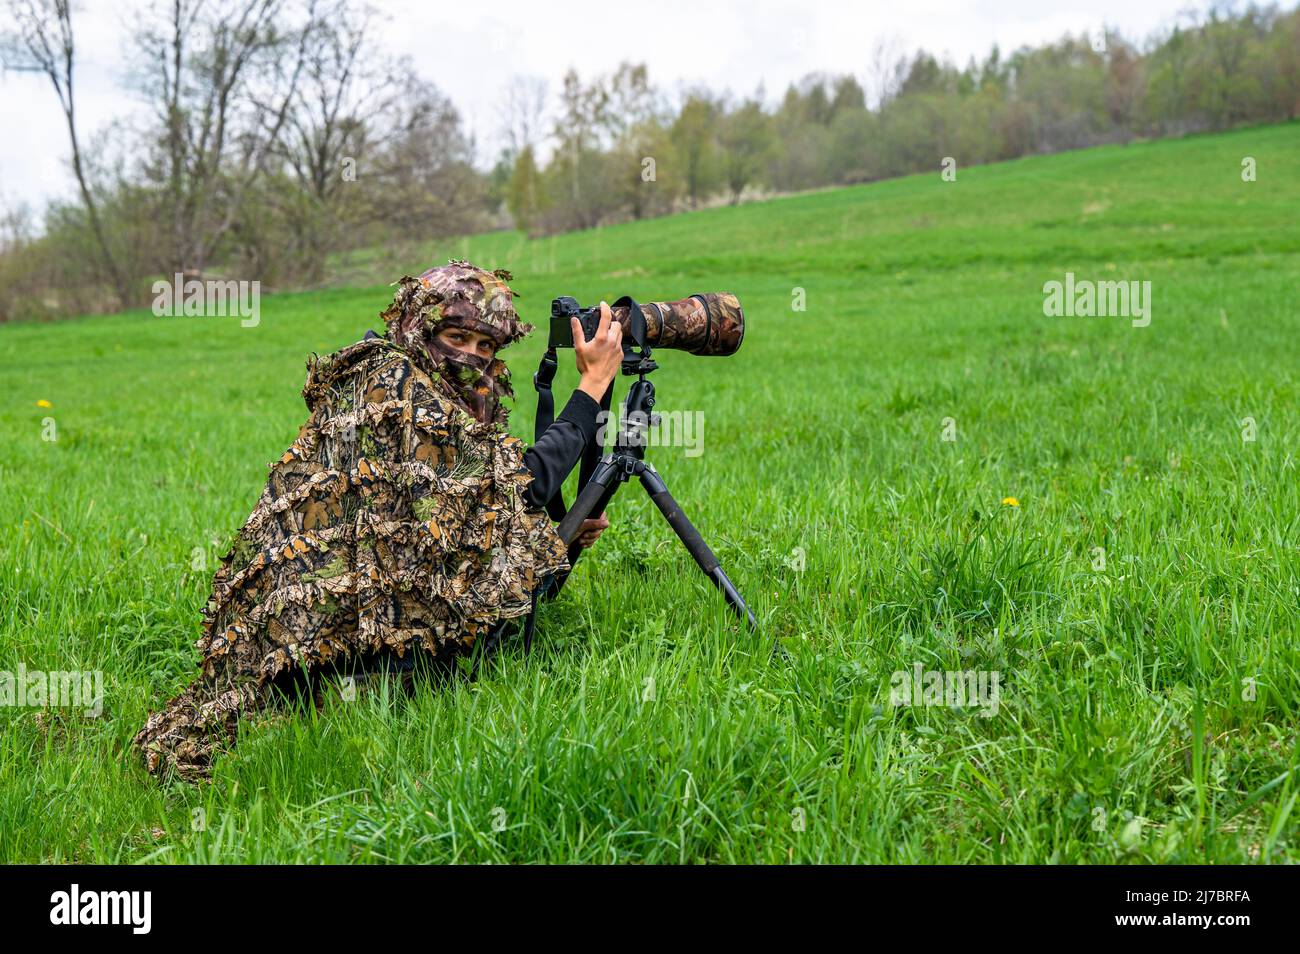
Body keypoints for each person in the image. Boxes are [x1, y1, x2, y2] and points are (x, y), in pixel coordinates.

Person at [134, 260, 622, 781]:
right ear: (419, 328)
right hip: (327, 635)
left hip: (341, 615)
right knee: (390, 688)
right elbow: (523, 481)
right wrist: (591, 388)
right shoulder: (398, 385)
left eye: (487, 348)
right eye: (458, 336)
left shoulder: (400, 378)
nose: (473, 359)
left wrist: (552, 540)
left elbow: (471, 505)